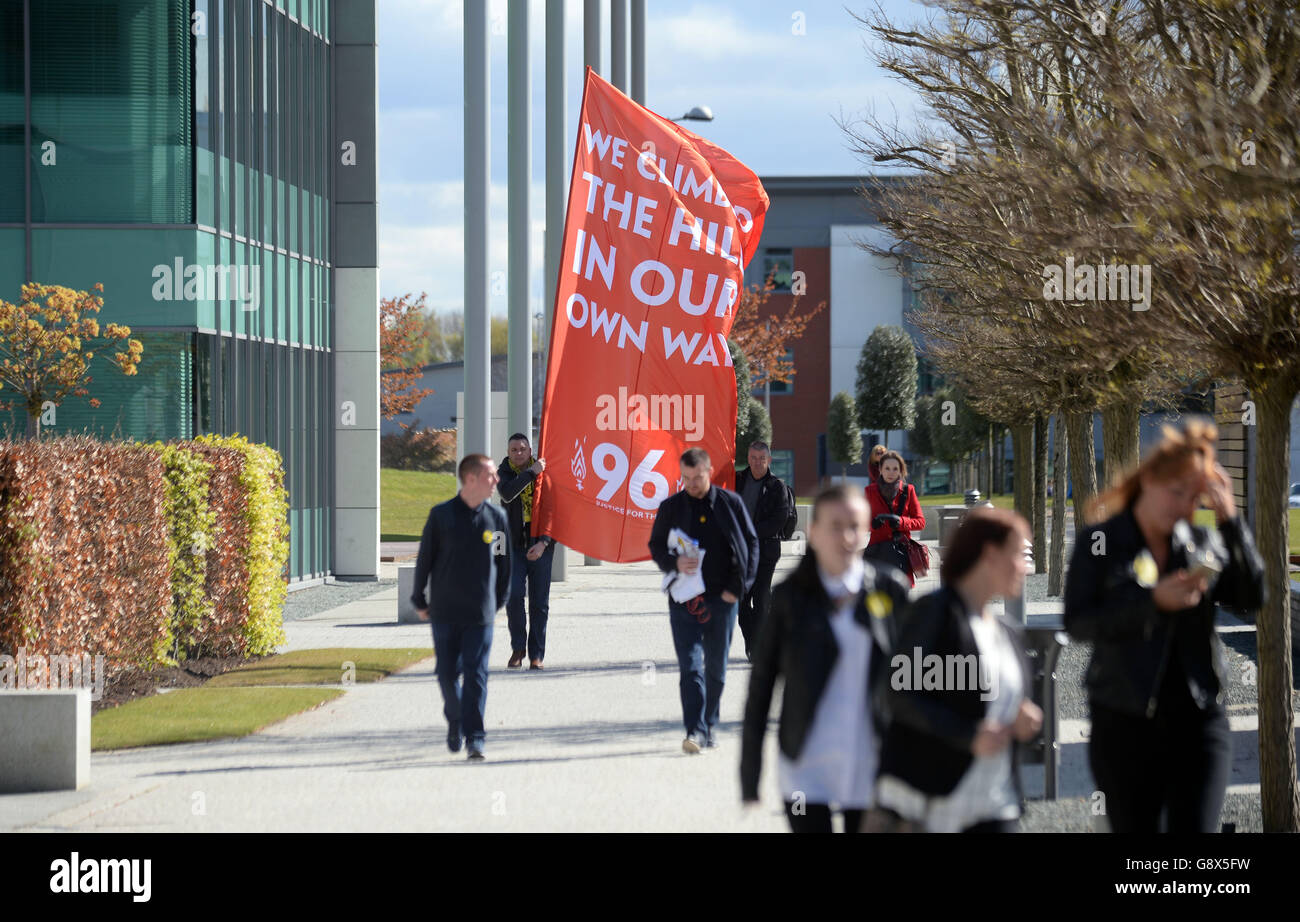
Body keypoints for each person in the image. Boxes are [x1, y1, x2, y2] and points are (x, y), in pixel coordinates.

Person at [1064, 420, 1263, 833]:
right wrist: (1151, 601)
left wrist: (1229, 517)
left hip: (1200, 717)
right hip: (1124, 719)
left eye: (1195, 498)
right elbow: (1079, 622)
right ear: (1150, 479)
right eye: (1177, 494)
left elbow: (1251, 595)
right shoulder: (1101, 541)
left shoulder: (1201, 542)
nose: (1184, 508)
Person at [740, 485, 911, 833]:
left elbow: (915, 682)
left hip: (868, 763)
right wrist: (750, 774)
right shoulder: (788, 599)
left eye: (855, 527)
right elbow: (761, 690)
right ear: (813, 533)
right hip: (806, 764)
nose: (846, 537)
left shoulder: (888, 590)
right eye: (835, 526)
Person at [871, 507, 1042, 833]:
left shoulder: (1008, 632)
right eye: (1020, 554)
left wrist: (1020, 716)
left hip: (996, 801)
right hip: (932, 804)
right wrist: (968, 734)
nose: (1026, 567)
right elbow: (897, 694)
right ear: (990, 554)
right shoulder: (932, 614)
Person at [648, 447, 759, 753]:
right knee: (690, 667)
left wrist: (738, 588)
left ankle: (710, 723)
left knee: (716, 669)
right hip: (684, 601)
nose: (692, 484)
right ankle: (694, 730)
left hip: (723, 599)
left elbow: (751, 544)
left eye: (697, 477)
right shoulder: (670, 507)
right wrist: (674, 563)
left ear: (710, 472)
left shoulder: (730, 504)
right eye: (686, 478)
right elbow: (656, 545)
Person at [411, 453, 511, 761]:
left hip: (480, 614)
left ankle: (476, 738)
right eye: (490, 476)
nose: (496, 481)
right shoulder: (441, 516)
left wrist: (498, 600)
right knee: (445, 673)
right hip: (444, 612)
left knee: (476, 673)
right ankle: (455, 720)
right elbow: (424, 560)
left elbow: (504, 564)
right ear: (470, 479)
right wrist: (419, 599)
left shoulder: (497, 519)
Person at [497, 433, 554, 670]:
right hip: (514, 547)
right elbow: (508, 494)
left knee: (539, 603)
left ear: (530, 450)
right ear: (508, 453)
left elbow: (553, 511)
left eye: (522, 449)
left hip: (540, 545)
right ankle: (518, 648)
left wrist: (544, 543)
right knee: (514, 597)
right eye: (514, 450)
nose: (518, 453)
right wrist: (532, 473)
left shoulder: (546, 474)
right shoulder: (503, 473)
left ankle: (536, 654)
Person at [735, 441, 792, 661]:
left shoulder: (777, 486)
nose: (757, 462)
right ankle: (754, 642)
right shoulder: (737, 480)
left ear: (769, 460)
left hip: (765, 552)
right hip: (740, 552)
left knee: (760, 600)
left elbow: (779, 519)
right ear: (748, 459)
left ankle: (759, 648)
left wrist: (750, 532)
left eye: (762, 458)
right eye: (753, 458)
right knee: (740, 601)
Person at [863, 450, 926, 587]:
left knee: (900, 595)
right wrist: (872, 524)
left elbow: (920, 522)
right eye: (887, 468)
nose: (891, 472)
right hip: (877, 551)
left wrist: (901, 522)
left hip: (901, 553)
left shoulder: (908, 490)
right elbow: (860, 522)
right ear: (880, 469)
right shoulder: (869, 491)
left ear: (901, 471)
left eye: (895, 469)